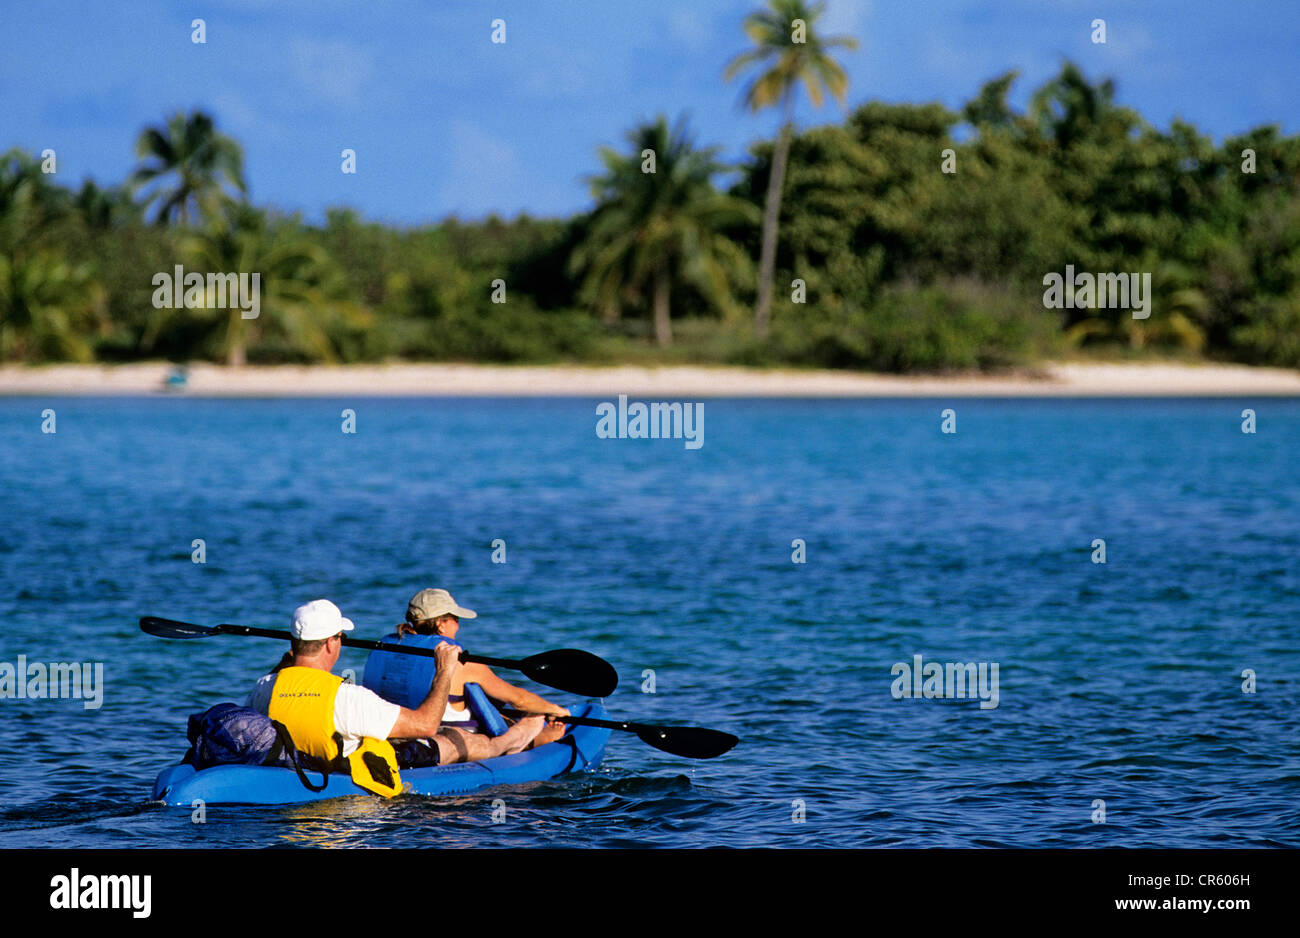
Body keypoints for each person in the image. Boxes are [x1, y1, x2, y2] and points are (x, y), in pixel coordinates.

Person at [247, 599, 543, 794]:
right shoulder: (348, 697)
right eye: (341, 638)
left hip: (299, 761)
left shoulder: (263, 687)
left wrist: (289, 659)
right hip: (349, 770)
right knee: (456, 741)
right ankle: (515, 739)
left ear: (294, 644)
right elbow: (426, 725)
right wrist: (444, 670)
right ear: (330, 644)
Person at [400, 588, 571, 746]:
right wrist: (555, 709)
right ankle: (539, 740)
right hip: (454, 739)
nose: (458, 625)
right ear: (440, 623)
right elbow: (519, 700)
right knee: (534, 715)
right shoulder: (462, 662)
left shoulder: (394, 650)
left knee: (489, 703)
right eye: (456, 619)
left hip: (405, 729)